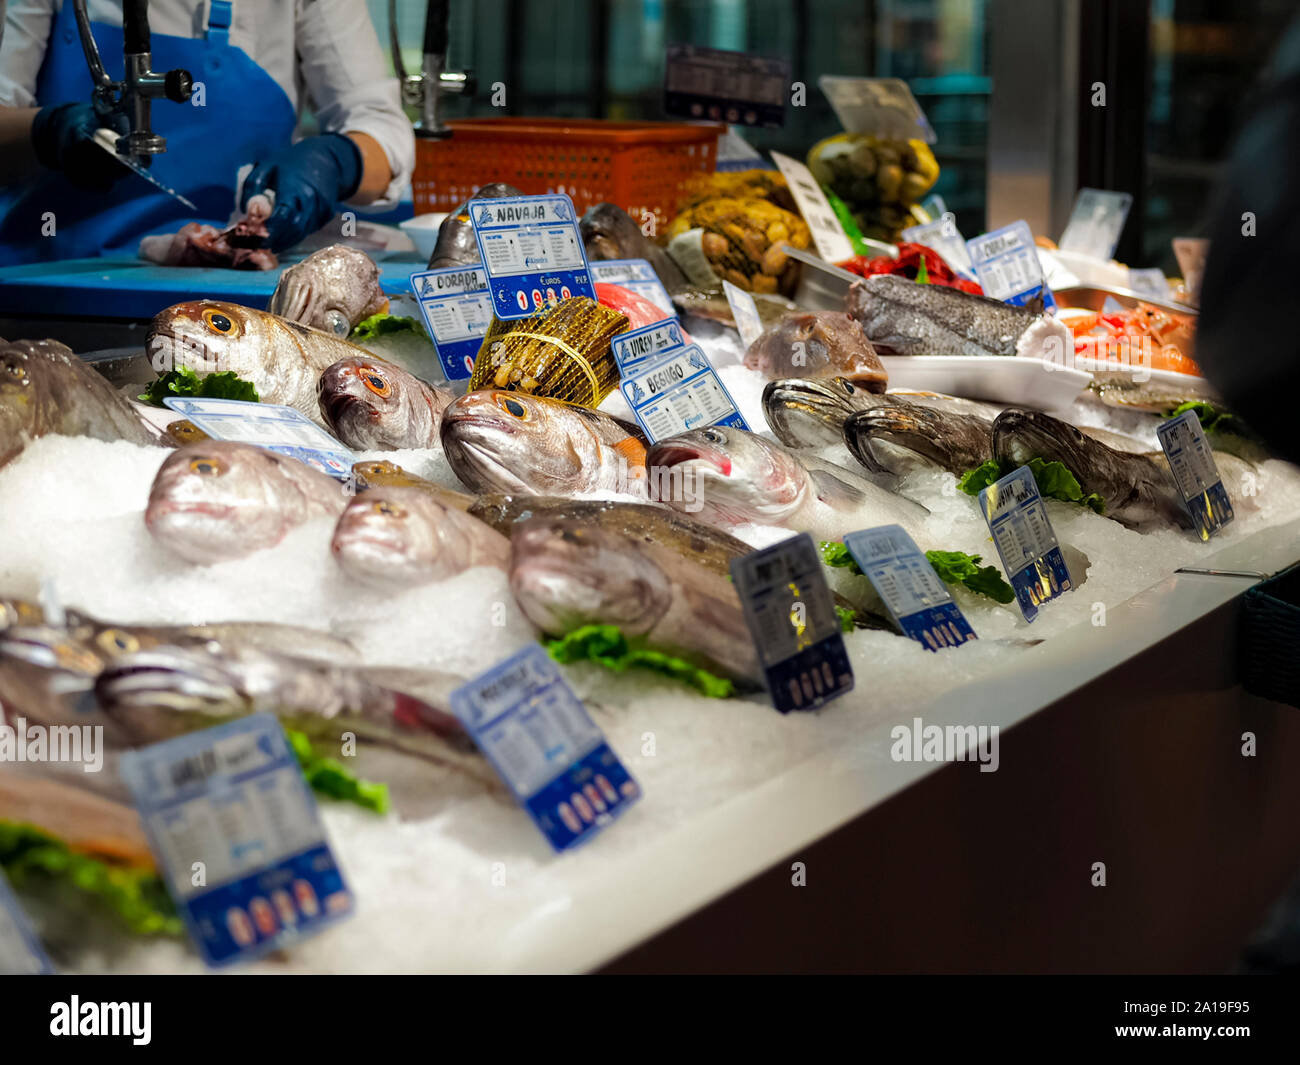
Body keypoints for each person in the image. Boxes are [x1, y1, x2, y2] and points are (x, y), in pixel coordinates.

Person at [0, 0, 415, 264]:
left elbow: (382, 128)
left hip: (229, 293)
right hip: (50, 282)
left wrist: (336, 160)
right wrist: (46, 130)